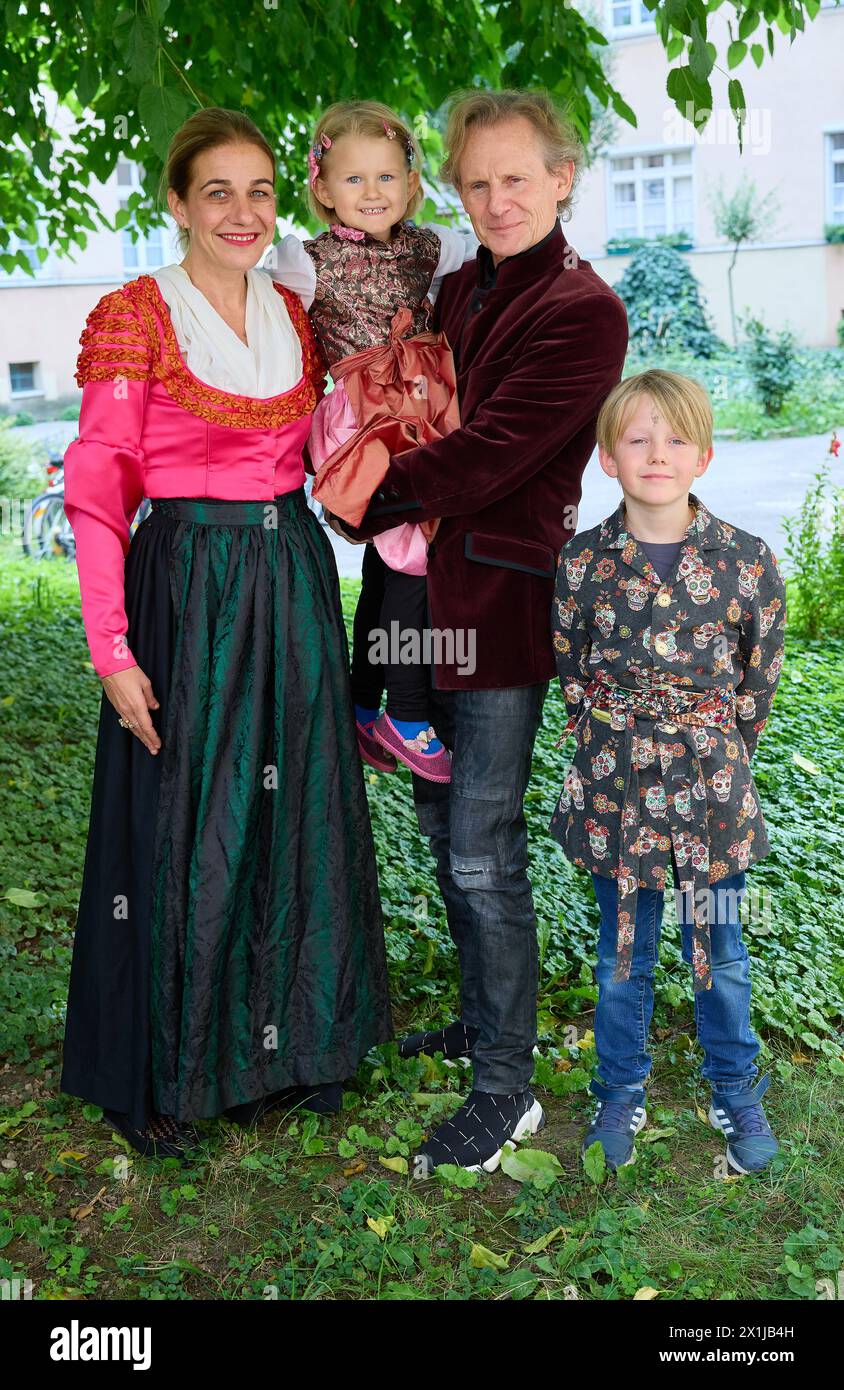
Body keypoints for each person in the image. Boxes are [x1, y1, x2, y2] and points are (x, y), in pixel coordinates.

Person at [59, 107, 393, 1161]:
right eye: (218, 192)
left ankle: (278, 1052)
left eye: (260, 191)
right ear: (177, 203)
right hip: (185, 586)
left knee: (290, 809)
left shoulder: (295, 310)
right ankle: (163, 1067)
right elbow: (98, 493)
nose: (243, 213)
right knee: (183, 815)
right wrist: (112, 648)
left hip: (290, 578)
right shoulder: (134, 316)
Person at [338, 89, 630, 1176]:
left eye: (516, 177)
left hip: (497, 614)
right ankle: (479, 1019)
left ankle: (505, 1087)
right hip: (416, 604)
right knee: (434, 813)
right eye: (476, 182)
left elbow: (493, 451)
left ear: (562, 178)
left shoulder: (584, 309)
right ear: (455, 191)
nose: (497, 199)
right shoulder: (459, 288)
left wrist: (361, 492)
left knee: (481, 846)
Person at [550, 368, 786, 1175]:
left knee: (720, 951)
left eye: (676, 439)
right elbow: (572, 669)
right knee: (622, 955)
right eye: (638, 439)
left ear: (704, 457)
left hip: (710, 793)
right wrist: (616, 735)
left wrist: (713, 752)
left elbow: (758, 681)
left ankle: (734, 1086)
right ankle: (619, 1088)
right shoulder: (583, 561)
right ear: (608, 457)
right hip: (616, 786)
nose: (658, 453)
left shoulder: (745, 561)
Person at [265, 99, 478, 783]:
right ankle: (408, 714)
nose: (373, 192)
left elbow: (492, 255)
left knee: (391, 564)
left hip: (425, 407)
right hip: (366, 417)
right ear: (323, 188)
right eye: (354, 179)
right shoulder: (304, 261)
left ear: (411, 183)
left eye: (387, 176)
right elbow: (259, 316)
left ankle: (361, 704)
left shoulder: (435, 246)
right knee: (415, 559)